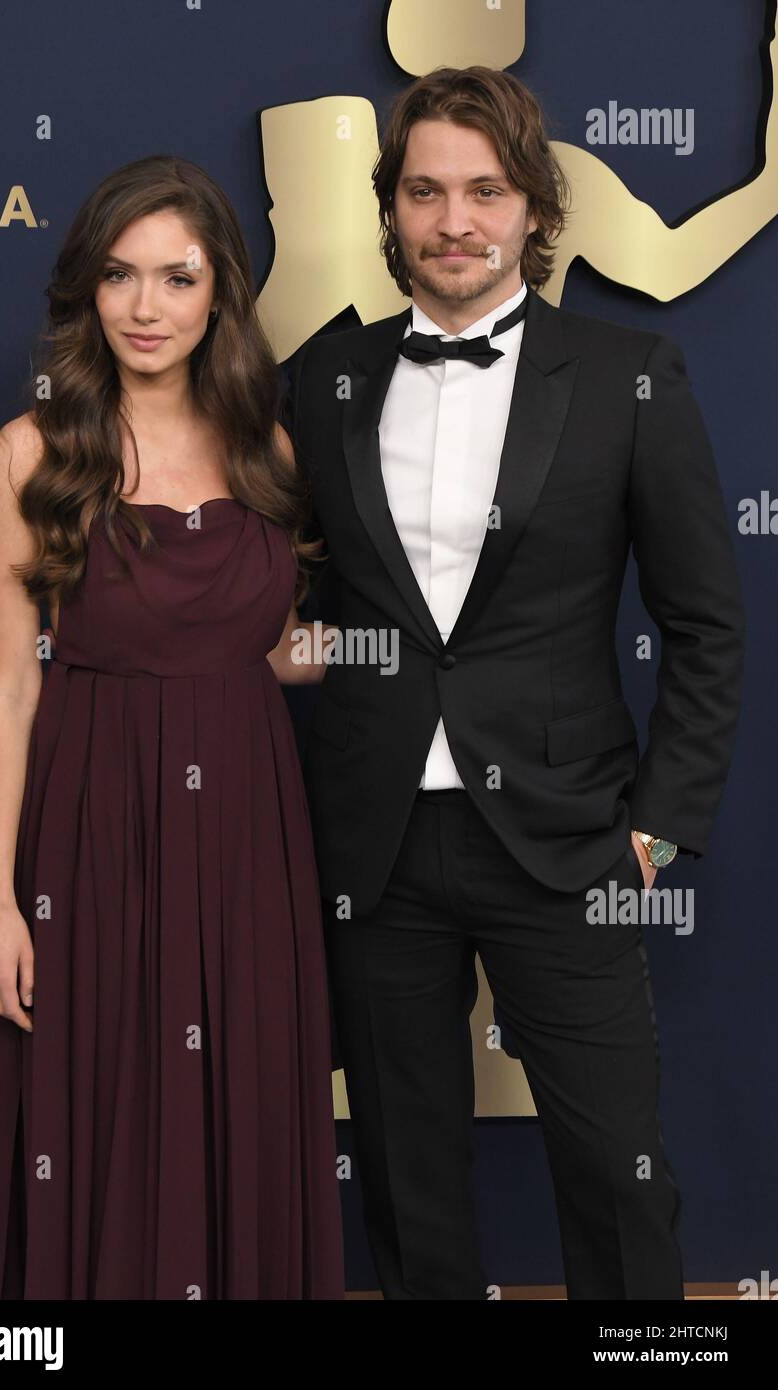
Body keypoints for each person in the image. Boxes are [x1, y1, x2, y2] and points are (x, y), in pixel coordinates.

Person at [283, 67, 745, 1300]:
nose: (453, 221)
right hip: (374, 843)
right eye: (425, 192)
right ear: (389, 211)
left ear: (535, 208)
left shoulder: (627, 373)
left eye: (484, 190)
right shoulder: (323, 384)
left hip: (568, 838)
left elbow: (704, 623)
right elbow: (300, 594)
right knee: (402, 1170)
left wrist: (656, 827)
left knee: (616, 1170)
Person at [0, 153, 344, 1300]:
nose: (146, 307)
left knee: (239, 1091)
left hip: (244, 835)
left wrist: (419, 646)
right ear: (88, 289)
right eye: (122, 276)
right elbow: (10, 688)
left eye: (176, 279)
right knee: (105, 1104)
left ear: (218, 292)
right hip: (89, 837)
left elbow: (276, 652)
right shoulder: (31, 454)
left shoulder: (266, 451)